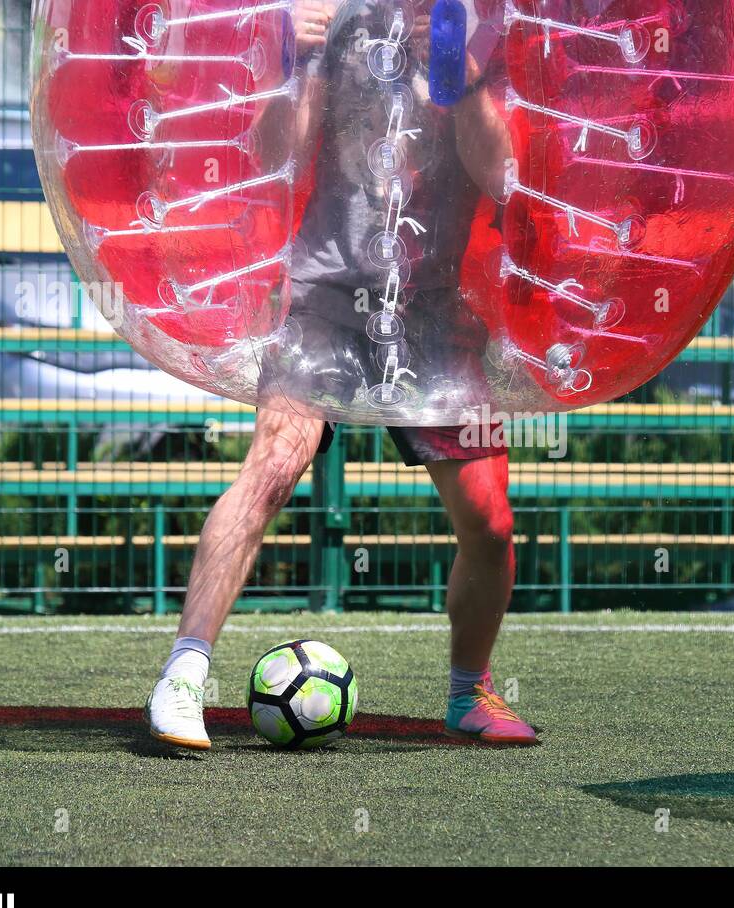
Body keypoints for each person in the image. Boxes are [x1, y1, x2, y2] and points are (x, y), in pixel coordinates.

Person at [145, 0, 538, 749]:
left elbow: (501, 176)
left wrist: (465, 79)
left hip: (432, 315)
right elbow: (270, 157)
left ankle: (468, 694)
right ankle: (182, 678)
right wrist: (292, 65)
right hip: (325, 303)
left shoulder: (464, 30)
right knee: (272, 468)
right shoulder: (334, 26)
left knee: (490, 524)